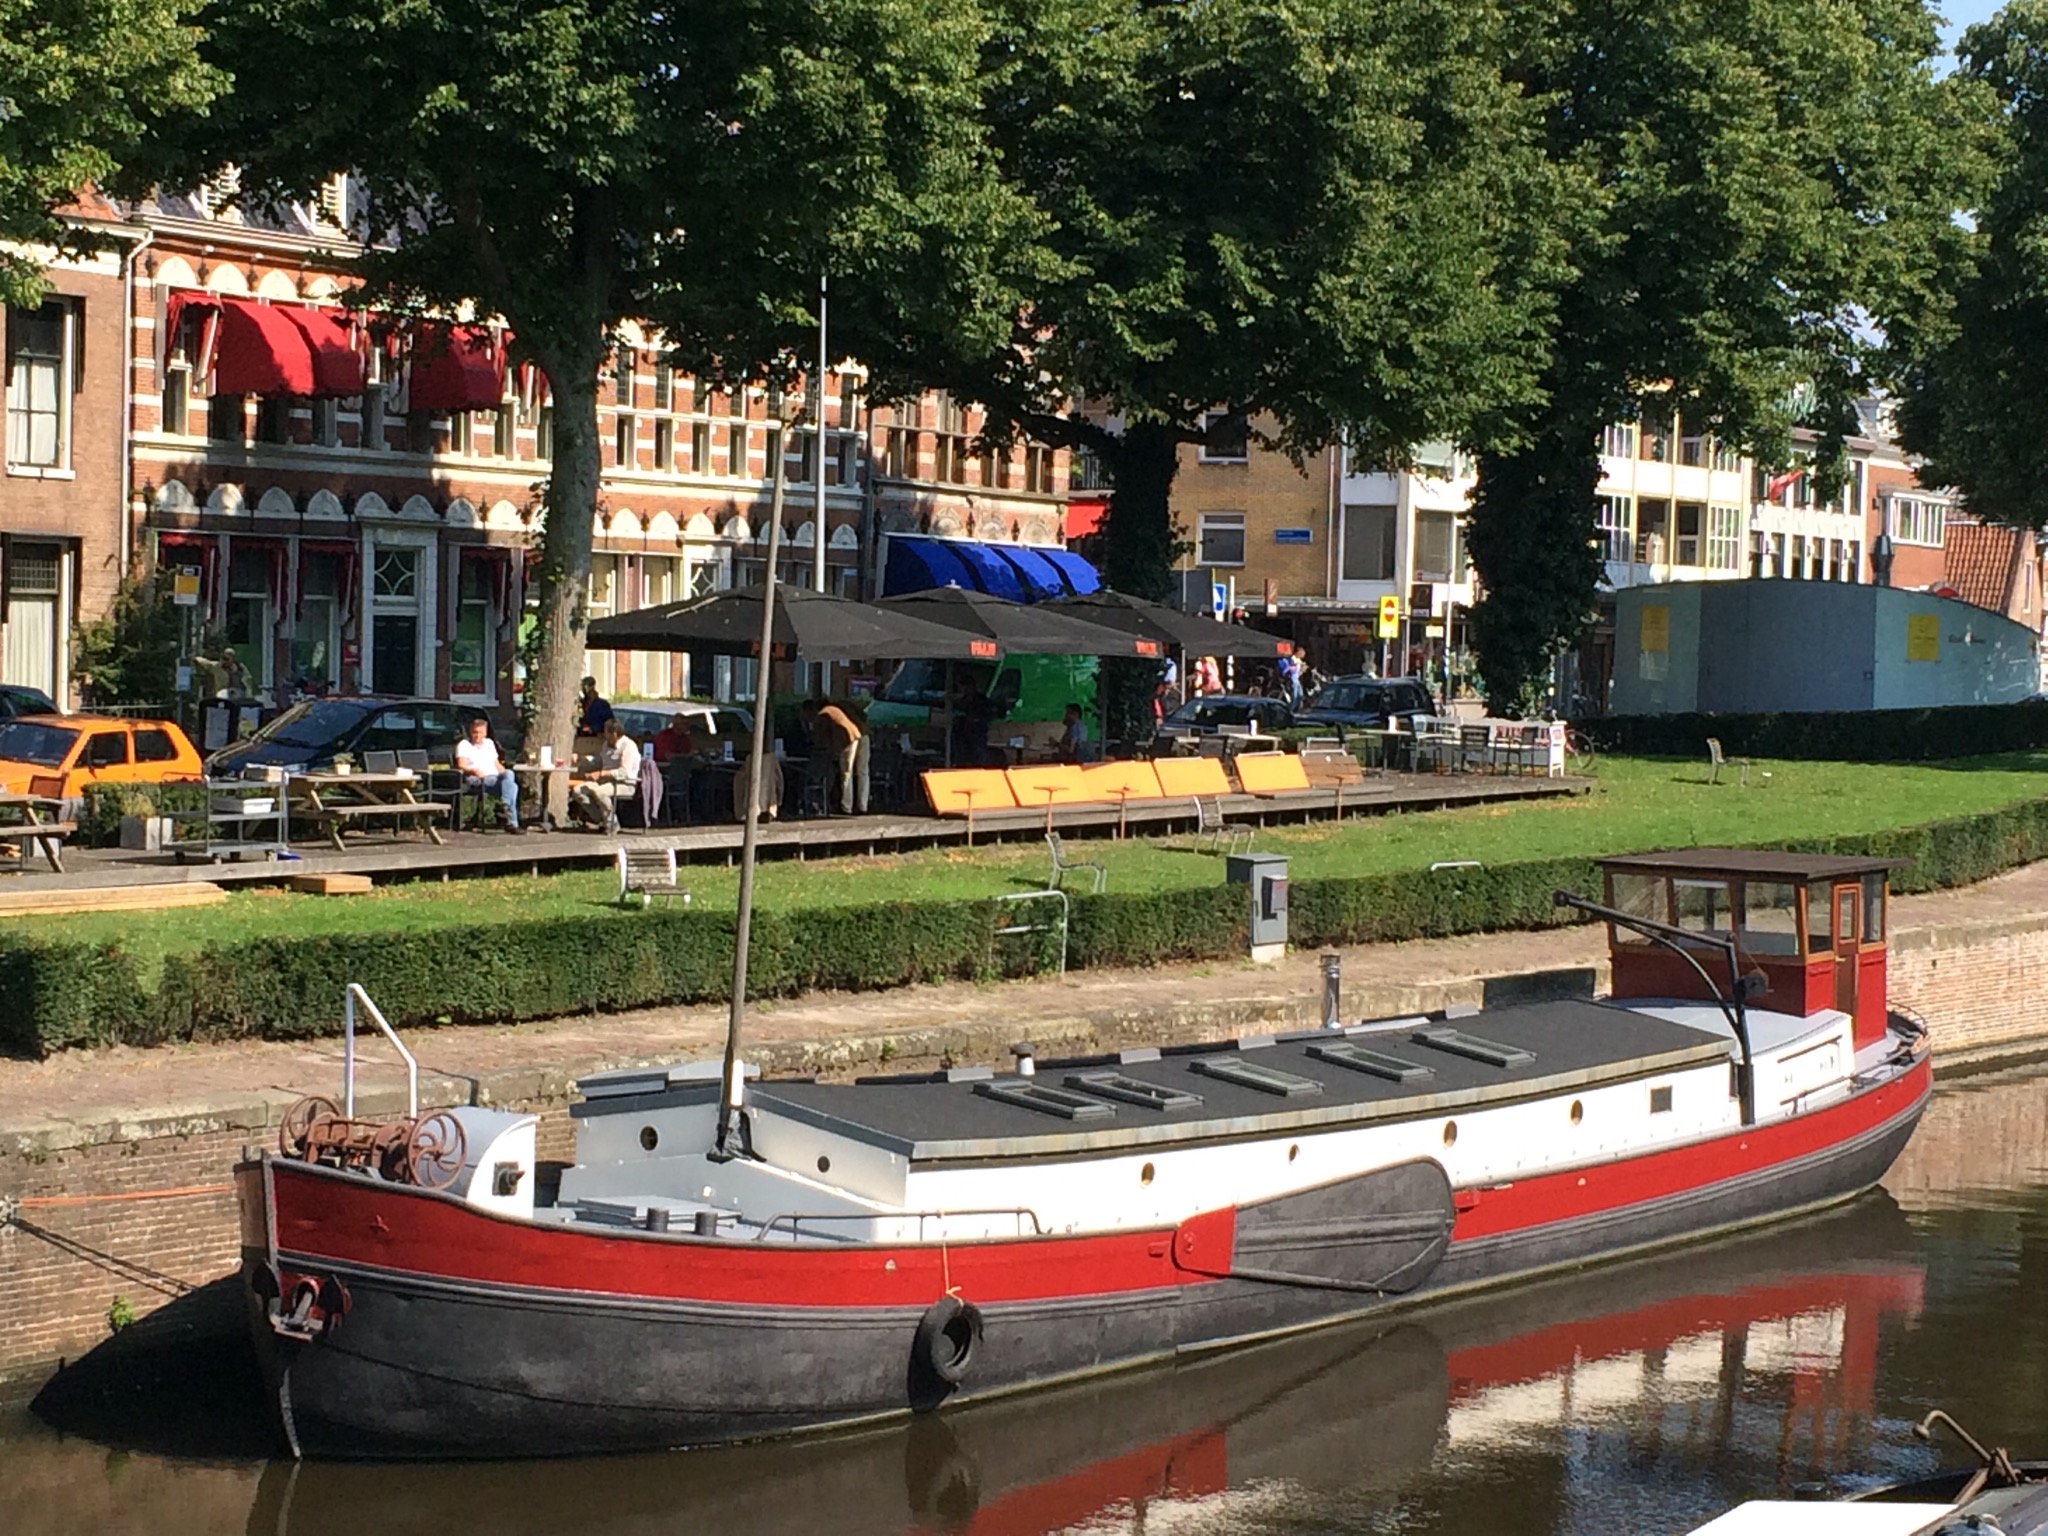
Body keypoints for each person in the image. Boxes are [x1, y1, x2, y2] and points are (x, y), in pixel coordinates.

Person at [453, 715, 522, 832]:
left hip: (494, 778)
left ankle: (504, 807)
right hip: (477, 779)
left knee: (510, 779)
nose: (477, 735)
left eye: (480, 733)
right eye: (475, 732)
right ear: (470, 731)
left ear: (485, 733)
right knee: (512, 787)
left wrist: (505, 774)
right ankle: (512, 823)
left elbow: (497, 764)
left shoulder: (489, 743)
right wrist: (473, 770)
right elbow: (461, 765)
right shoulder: (464, 745)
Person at [569, 717, 640, 830]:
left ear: (614, 734)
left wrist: (601, 774)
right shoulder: (606, 745)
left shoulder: (628, 746)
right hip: (604, 781)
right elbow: (600, 760)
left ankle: (612, 824)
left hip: (624, 784)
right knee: (578, 791)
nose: (603, 734)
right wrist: (582, 759)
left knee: (600, 792)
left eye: (606, 732)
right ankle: (601, 819)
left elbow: (624, 772)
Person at [801, 698, 863, 815]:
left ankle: (846, 806)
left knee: (846, 773)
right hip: (854, 736)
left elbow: (820, 738)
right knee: (857, 772)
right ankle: (855, 804)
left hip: (847, 740)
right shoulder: (832, 711)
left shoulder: (823, 715)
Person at [951, 673, 993, 766]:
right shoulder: (958, 702)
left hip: (977, 735)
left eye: (964, 687)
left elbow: (987, 716)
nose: (962, 690)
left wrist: (975, 719)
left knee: (978, 760)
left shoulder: (982, 701)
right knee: (961, 759)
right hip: (960, 736)